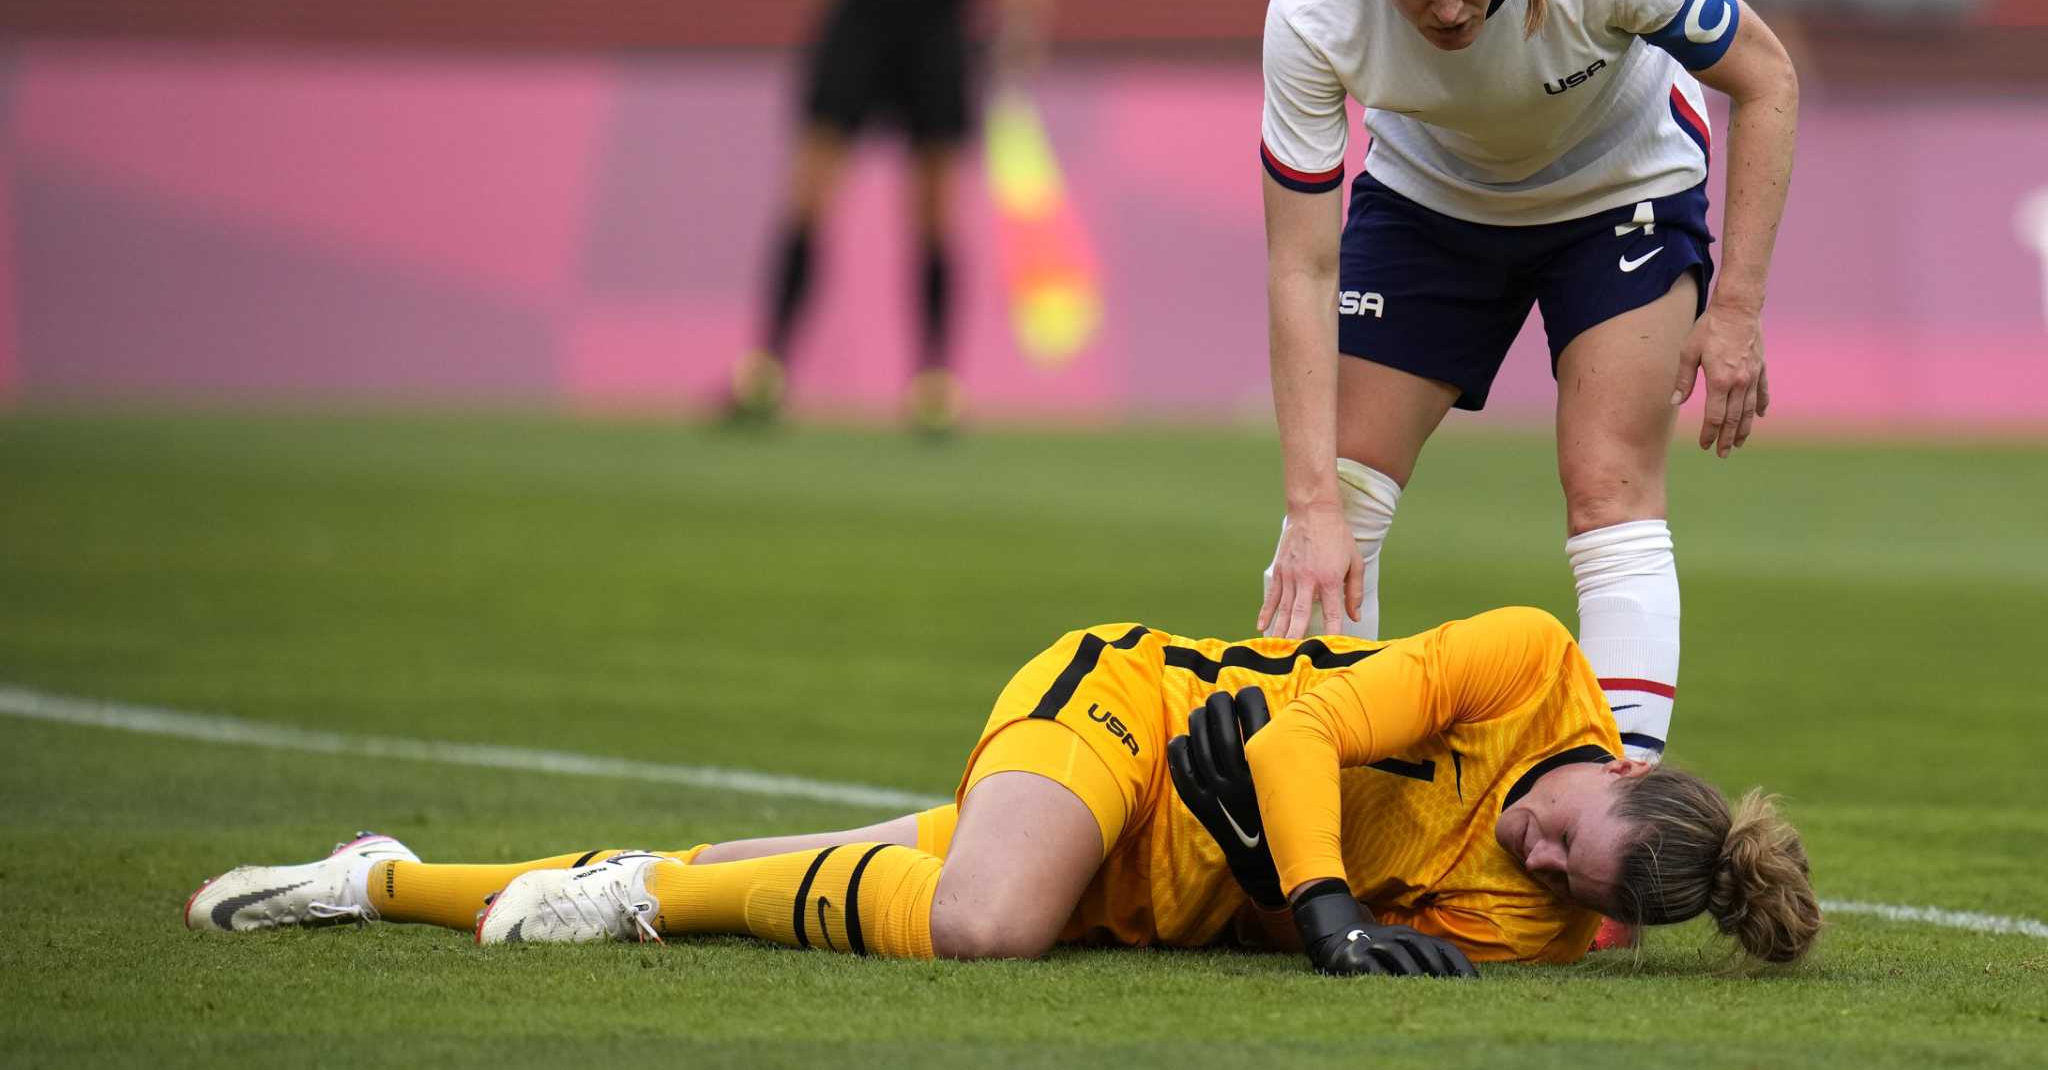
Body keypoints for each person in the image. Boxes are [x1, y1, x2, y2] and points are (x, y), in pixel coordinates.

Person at [183, 606, 1819, 972]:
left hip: (1170, 874)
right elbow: (1295, 738)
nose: (1531, 860)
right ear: (1621, 761)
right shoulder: (1531, 661)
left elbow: (1289, 927)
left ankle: (383, 879)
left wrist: (1272, 901)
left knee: (835, 865)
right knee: (982, 923)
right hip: (1121, 707)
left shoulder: (1541, 923)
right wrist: (1317, 897)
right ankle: (636, 901)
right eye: (1556, 829)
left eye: (1560, 884)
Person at [1255, 0, 1800, 781]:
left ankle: (1607, 830)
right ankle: (1322, 798)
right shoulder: (1310, 6)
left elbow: (1766, 79)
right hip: (1427, 196)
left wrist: (1735, 307)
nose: (1448, 6)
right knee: (1344, 493)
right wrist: (1309, 505)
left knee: (1607, 488)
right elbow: (1298, 266)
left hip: (1618, 186)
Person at [726, 0, 1051, 434]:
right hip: (858, 31)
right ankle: (766, 368)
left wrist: (1020, 27)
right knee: (808, 195)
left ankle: (933, 381)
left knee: (934, 211)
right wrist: (820, 35)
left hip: (939, 38)